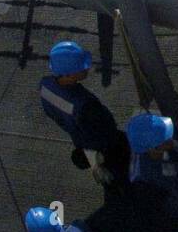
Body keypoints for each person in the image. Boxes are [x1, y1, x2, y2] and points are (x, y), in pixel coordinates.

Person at [38, 41, 130, 188]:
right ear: (69, 74)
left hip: (79, 137)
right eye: (81, 67)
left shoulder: (45, 86)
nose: (87, 67)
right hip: (106, 143)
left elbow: (53, 113)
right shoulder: (85, 106)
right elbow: (104, 129)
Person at [126, 112, 178, 218]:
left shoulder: (151, 143)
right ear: (153, 148)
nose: (170, 136)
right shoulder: (146, 177)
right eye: (166, 137)